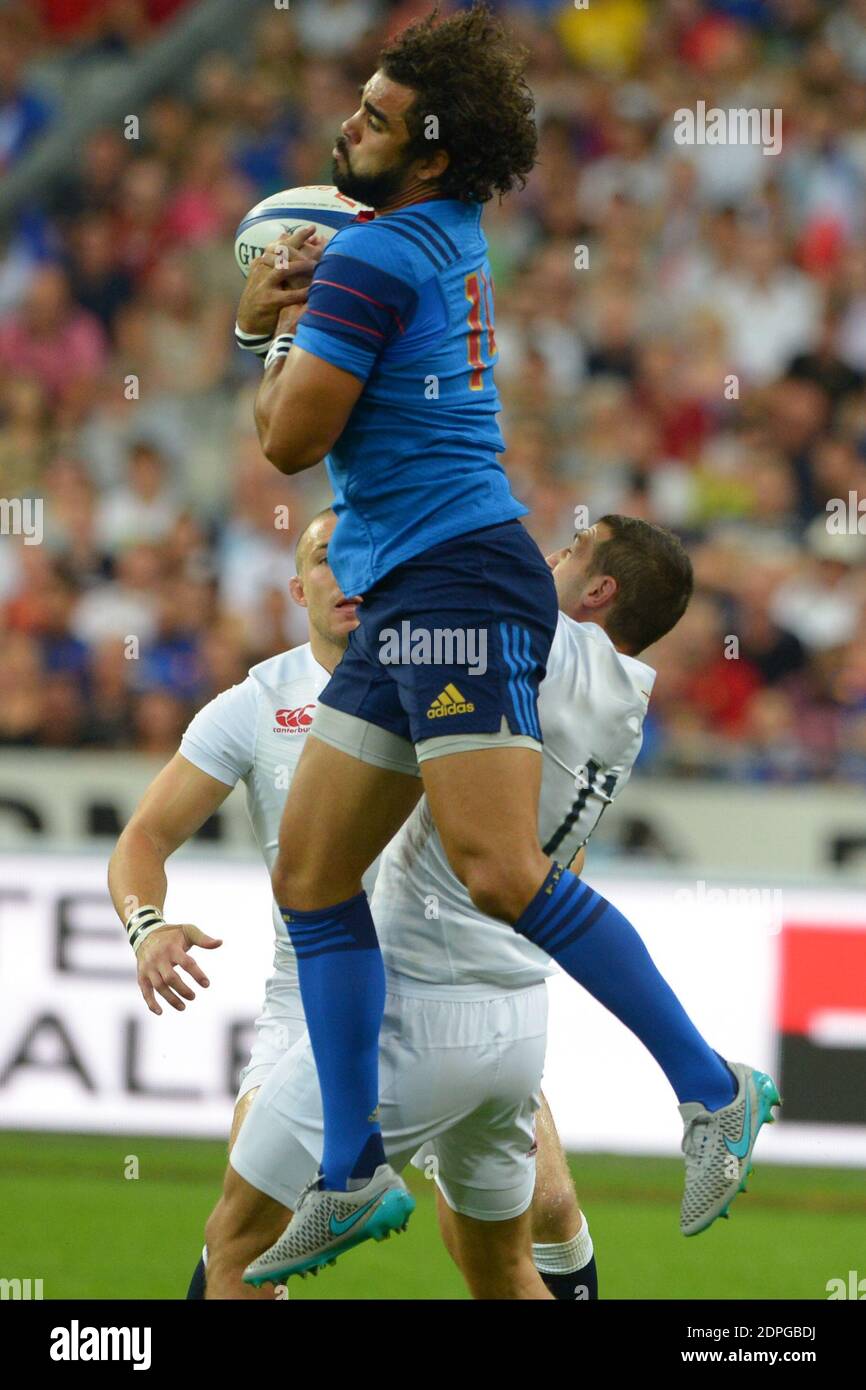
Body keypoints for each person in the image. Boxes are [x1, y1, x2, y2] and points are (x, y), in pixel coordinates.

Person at [235, 3, 777, 1275]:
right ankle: (354, 1173)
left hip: (456, 588)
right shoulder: (441, 232)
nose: (345, 125)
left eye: (373, 117)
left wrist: (263, 325)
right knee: (310, 872)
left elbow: (287, 441)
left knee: (496, 866)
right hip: (416, 581)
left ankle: (712, 1088)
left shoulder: (373, 259)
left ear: (428, 152)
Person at [108, 510, 592, 1301]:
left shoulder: (456, 681)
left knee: (546, 1210)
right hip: (309, 1006)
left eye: (363, 553)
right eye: (324, 560)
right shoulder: (256, 703)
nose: (346, 573)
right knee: (244, 1236)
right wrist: (146, 926)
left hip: (445, 991)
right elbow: (143, 841)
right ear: (298, 589)